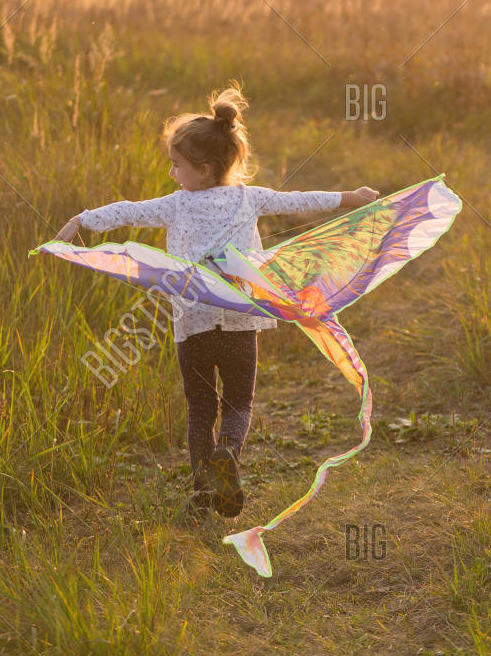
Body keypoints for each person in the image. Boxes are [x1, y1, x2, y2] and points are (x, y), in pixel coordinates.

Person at [54, 83, 378, 518]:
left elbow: (127, 211)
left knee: (200, 408)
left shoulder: (175, 204)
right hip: (241, 320)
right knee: (239, 402)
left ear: (204, 170)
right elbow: (301, 201)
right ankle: (228, 453)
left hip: (192, 323)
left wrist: (81, 221)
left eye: (176, 166)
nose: (172, 175)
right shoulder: (251, 197)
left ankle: (203, 492)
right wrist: (351, 199)